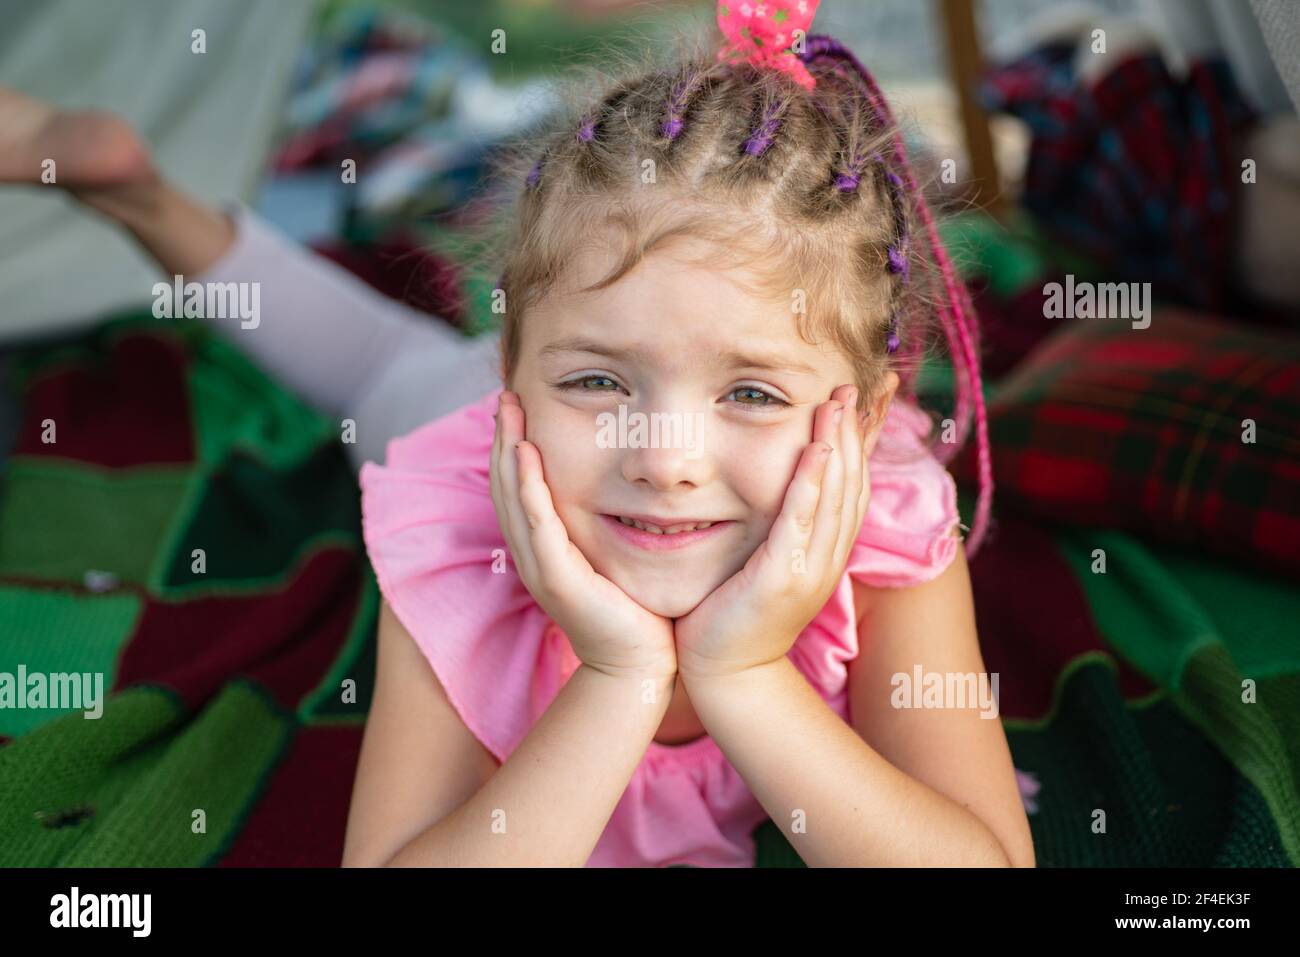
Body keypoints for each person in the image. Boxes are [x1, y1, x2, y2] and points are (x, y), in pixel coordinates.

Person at [0, 0, 1032, 868]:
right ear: (515, 372)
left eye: (752, 393)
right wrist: (618, 680)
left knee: (380, 357)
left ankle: (136, 189)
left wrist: (745, 678)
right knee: (378, 370)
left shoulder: (877, 515)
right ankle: (137, 195)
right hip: (462, 407)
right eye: (595, 377)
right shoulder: (465, 513)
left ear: (854, 416)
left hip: (560, 403)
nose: (662, 458)